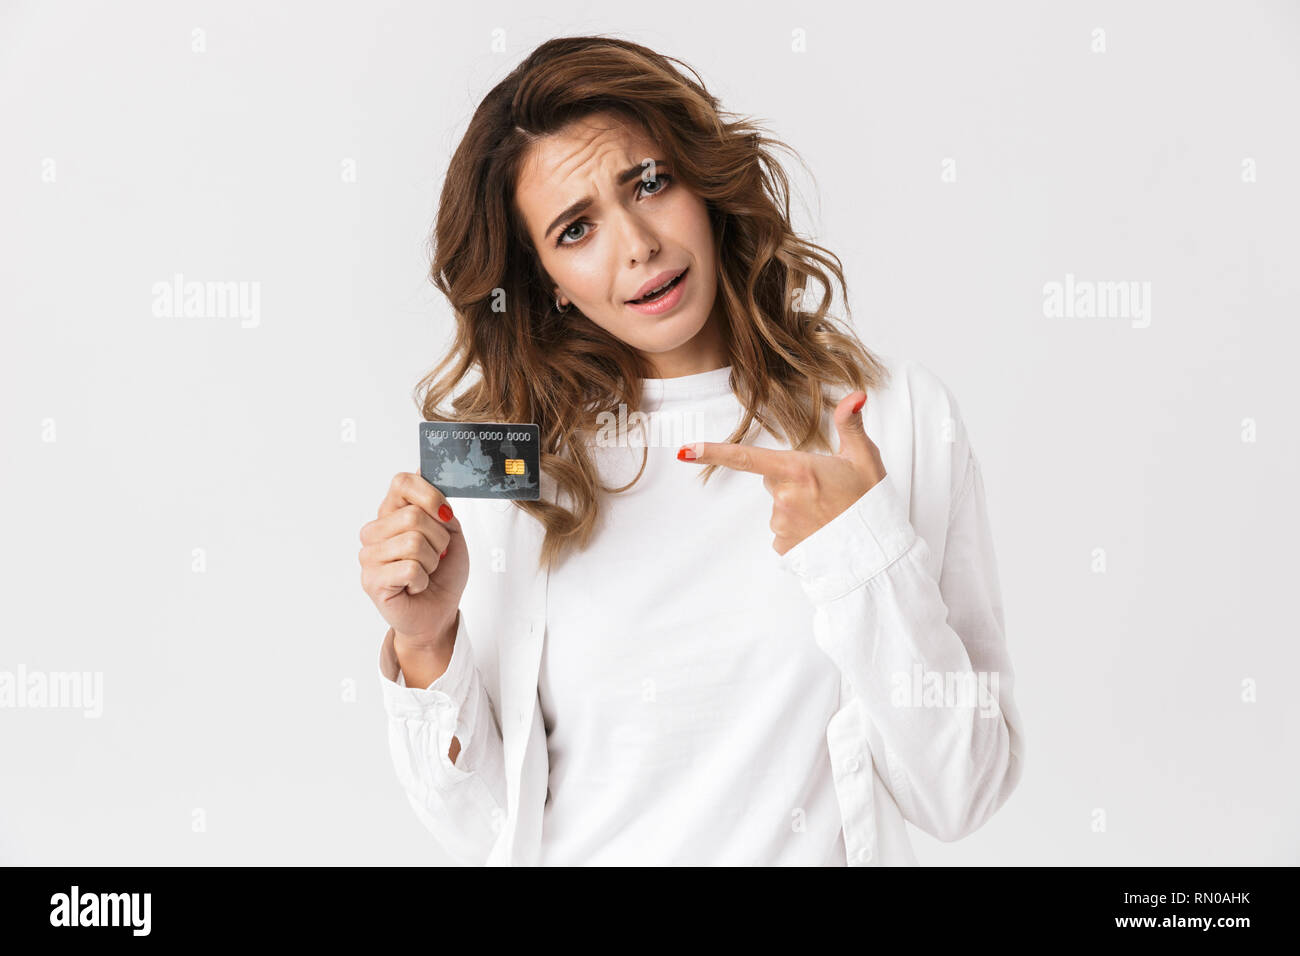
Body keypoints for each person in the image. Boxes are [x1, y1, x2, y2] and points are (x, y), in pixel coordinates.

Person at [358, 35, 1024, 866]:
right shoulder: (505, 463)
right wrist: (426, 646)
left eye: (649, 183)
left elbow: (961, 793)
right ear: (544, 280)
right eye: (576, 229)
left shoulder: (892, 419)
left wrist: (862, 551)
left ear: (703, 182)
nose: (636, 243)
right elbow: (487, 829)